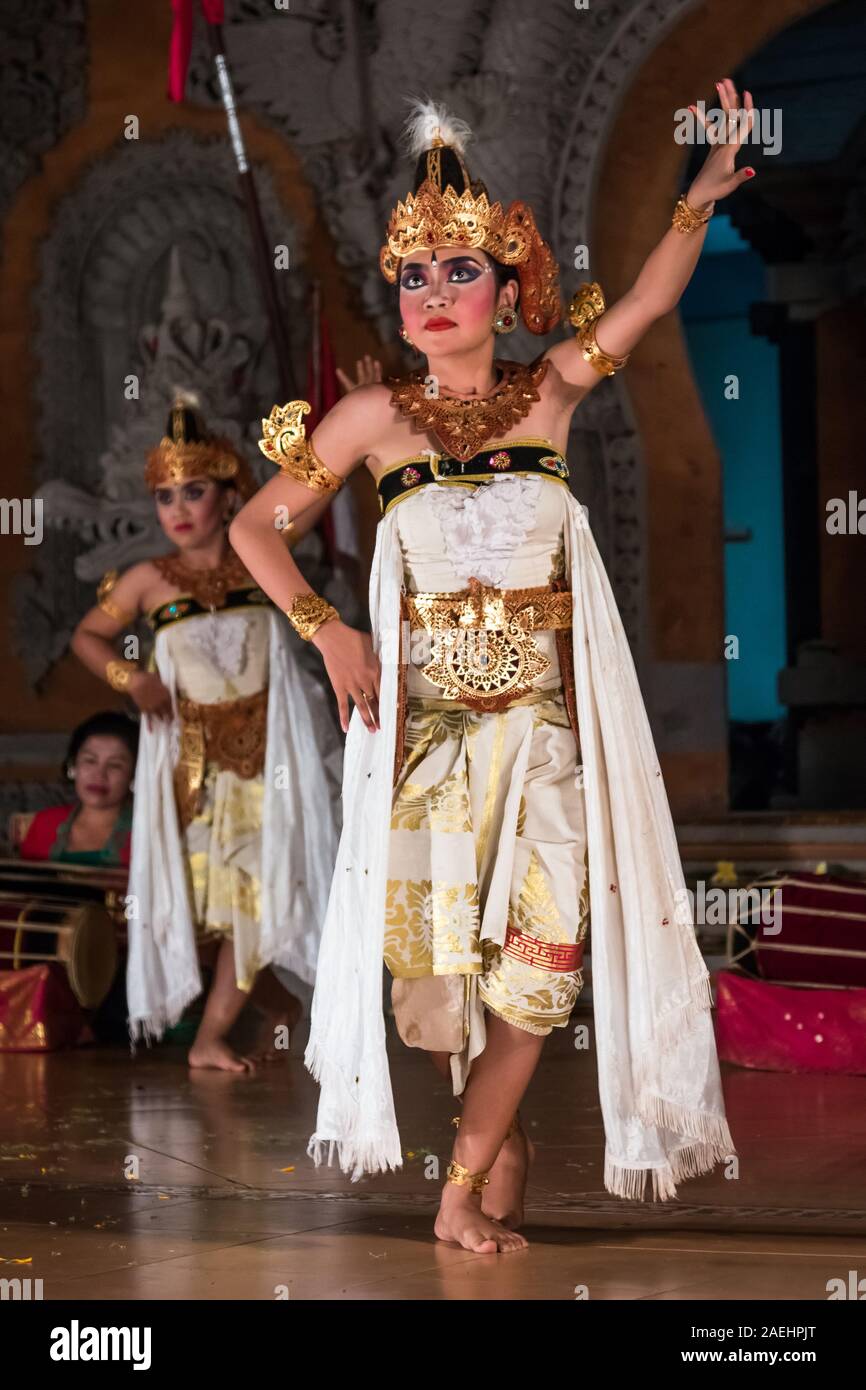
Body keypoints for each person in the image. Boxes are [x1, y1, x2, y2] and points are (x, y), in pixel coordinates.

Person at [230, 89, 751, 1251]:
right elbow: (254, 528)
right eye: (412, 279)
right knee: (429, 1003)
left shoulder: (552, 391)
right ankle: (489, 1123)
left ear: (506, 291)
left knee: (537, 970)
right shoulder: (370, 417)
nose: (429, 296)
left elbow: (652, 299)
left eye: (456, 272)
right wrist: (326, 626)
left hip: (543, 740)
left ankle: (457, 1188)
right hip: (422, 749)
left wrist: (694, 200)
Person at [71, 397, 342, 1071]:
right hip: (190, 771)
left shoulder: (264, 555)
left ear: (230, 493)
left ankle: (210, 1040)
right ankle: (275, 1007)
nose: (179, 508)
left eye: (195, 491)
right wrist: (129, 680)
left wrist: (340, 418)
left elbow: (322, 488)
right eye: (165, 497)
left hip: (269, 765)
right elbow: (88, 636)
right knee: (212, 910)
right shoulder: (146, 581)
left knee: (256, 894)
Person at [14, 712, 138, 866]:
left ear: (134, 774)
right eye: (90, 761)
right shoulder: (44, 824)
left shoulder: (147, 835)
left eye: (115, 765)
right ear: (73, 766)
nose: (99, 775)